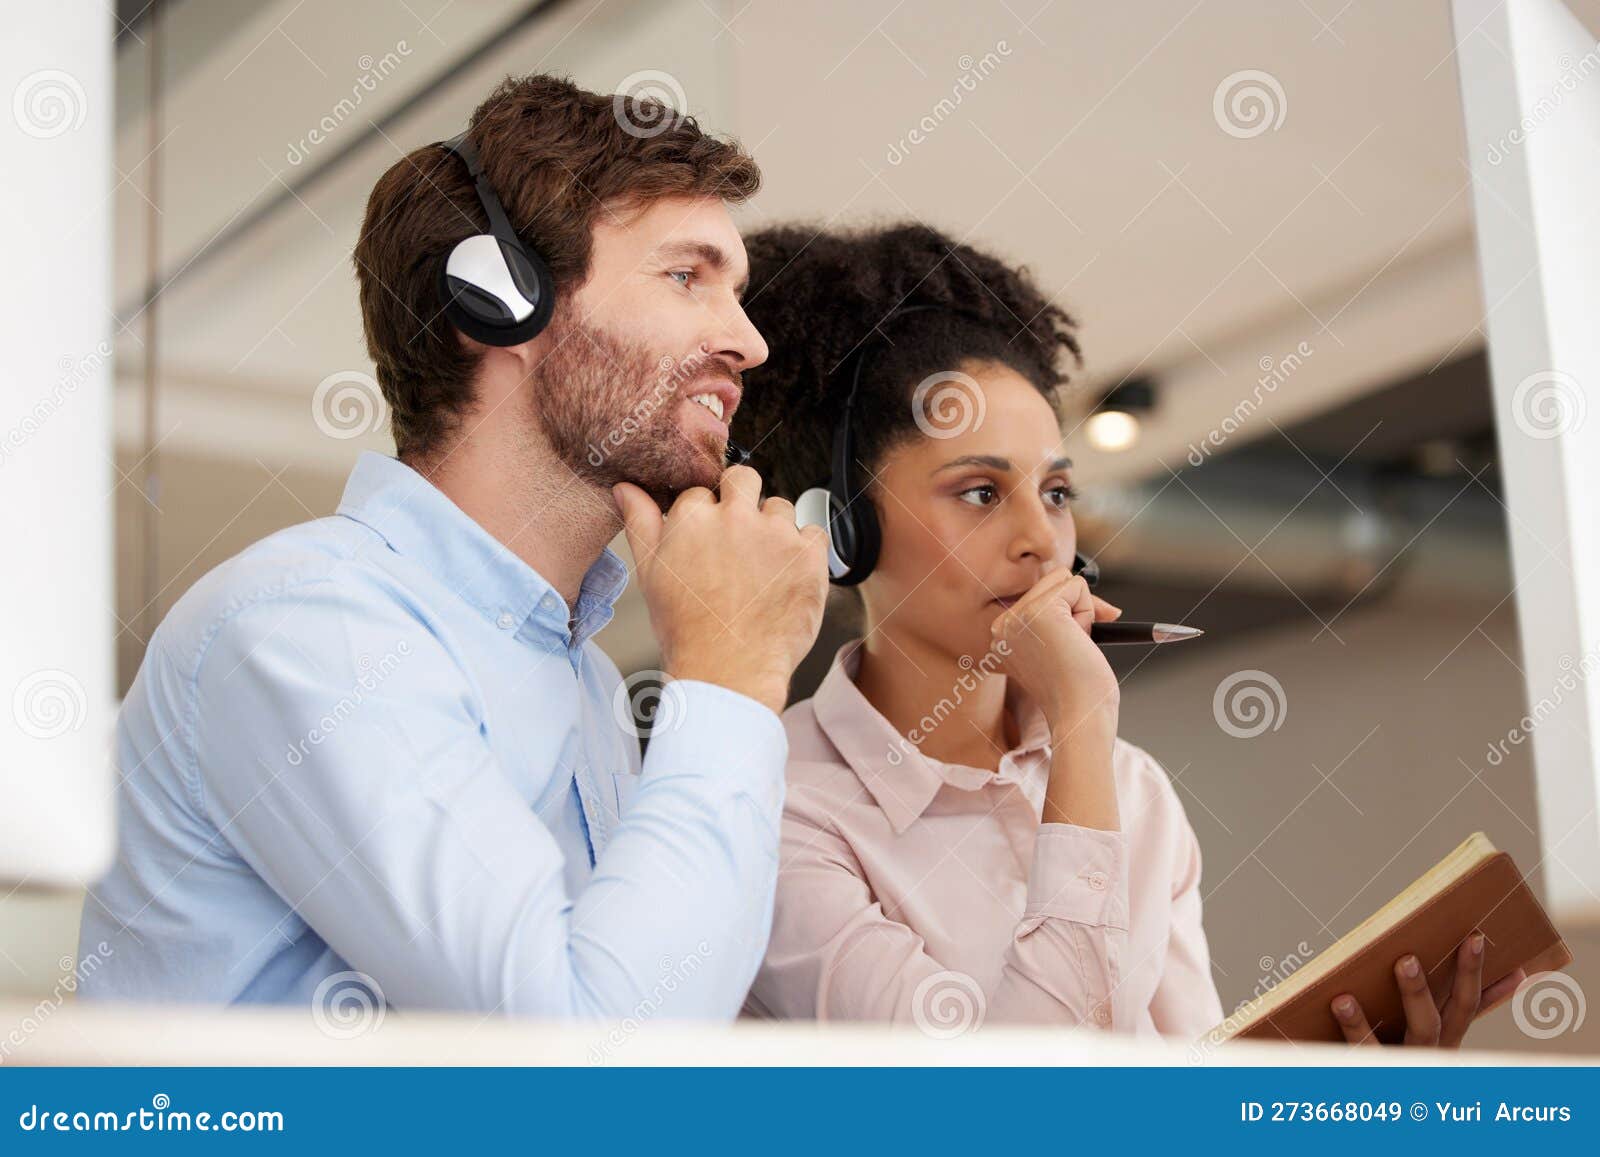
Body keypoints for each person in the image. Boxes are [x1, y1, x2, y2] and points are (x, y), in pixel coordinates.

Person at [78, 74, 828, 1018]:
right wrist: (730, 675)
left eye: (738, 293)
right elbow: (586, 1055)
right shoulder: (303, 627)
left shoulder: (589, 682)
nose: (750, 342)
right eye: (688, 277)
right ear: (501, 297)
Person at [730, 222, 1524, 1045]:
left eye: (1057, 494)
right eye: (980, 493)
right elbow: (1022, 1094)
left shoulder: (1133, 789)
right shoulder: (778, 809)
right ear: (843, 529)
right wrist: (1080, 720)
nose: (1041, 541)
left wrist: (1349, 1090)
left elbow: (1182, 1092)